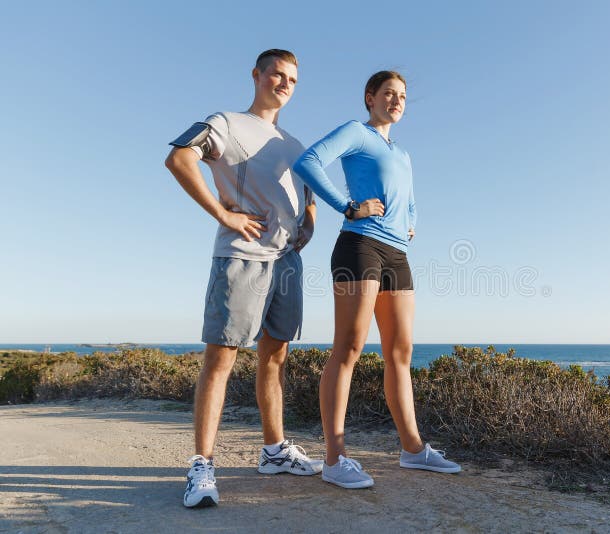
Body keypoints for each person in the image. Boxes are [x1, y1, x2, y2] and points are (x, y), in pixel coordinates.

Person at [165, 49, 321, 508]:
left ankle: (274, 451)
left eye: (292, 78)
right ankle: (201, 466)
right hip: (241, 257)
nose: (285, 83)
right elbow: (179, 159)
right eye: (277, 73)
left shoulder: (294, 143)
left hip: (286, 263)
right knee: (221, 359)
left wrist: (308, 223)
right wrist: (221, 213)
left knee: (275, 358)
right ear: (257, 75)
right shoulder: (228, 123)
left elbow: (306, 193)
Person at [292, 71, 461, 489]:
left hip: (396, 253)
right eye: (389, 93)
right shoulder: (356, 132)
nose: (397, 100)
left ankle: (413, 449)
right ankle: (335, 458)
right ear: (370, 97)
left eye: (403, 96)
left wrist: (412, 222)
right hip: (358, 245)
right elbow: (308, 162)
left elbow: (412, 199)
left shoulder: (403, 153)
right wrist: (348, 207)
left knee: (400, 352)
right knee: (348, 348)